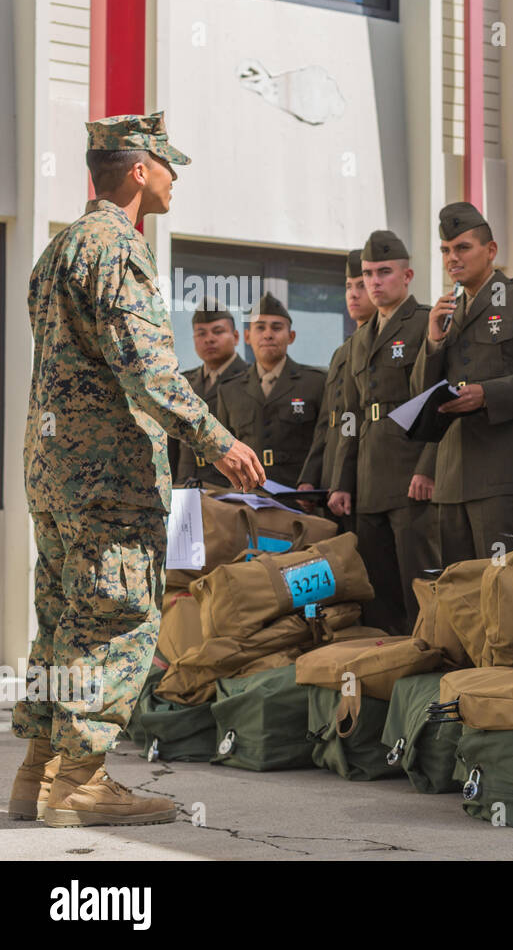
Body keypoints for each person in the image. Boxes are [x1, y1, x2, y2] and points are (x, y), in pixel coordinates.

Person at [10, 112, 263, 828]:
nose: (176, 178)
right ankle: (83, 783)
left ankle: (40, 771)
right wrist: (218, 441)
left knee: (63, 616)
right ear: (140, 170)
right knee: (115, 618)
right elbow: (148, 371)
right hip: (107, 473)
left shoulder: (57, 250)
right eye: (169, 164)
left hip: (55, 469)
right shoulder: (116, 248)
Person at [411, 202, 513, 563]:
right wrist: (433, 341)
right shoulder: (447, 313)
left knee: (508, 590)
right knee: (462, 597)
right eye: (445, 251)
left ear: (491, 250)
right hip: (452, 481)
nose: (453, 258)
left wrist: (487, 395)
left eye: (463, 248)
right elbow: (421, 395)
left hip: (504, 476)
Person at [328, 231, 440, 635]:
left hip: (411, 476)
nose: (374, 282)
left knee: (420, 585)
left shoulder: (425, 322)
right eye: (368, 274)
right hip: (369, 480)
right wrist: (342, 481)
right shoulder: (359, 338)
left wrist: (428, 467)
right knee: (378, 590)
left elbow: (436, 402)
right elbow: (350, 416)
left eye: (384, 273)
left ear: (407, 275)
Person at [215, 293, 327, 495]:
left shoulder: (316, 383)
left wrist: (310, 483)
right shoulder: (229, 390)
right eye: (260, 327)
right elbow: (223, 450)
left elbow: (325, 441)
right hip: (247, 496)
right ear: (247, 336)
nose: (268, 334)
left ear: (291, 336)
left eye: (276, 328)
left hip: (297, 496)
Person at [304, 249, 376, 532]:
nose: (354, 294)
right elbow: (327, 422)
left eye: (361, 285)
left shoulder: (380, 343)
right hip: (330, 479)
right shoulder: (341, 352)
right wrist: (310, 478)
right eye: (349, 287)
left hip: (364, 478)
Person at [175, 297, 249, 487]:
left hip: (229, 490)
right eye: (201, 333)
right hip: (185, 488)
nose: (209, 339)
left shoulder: (252, 381)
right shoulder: (183, 383)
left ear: (236, 336)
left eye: (218, 331)